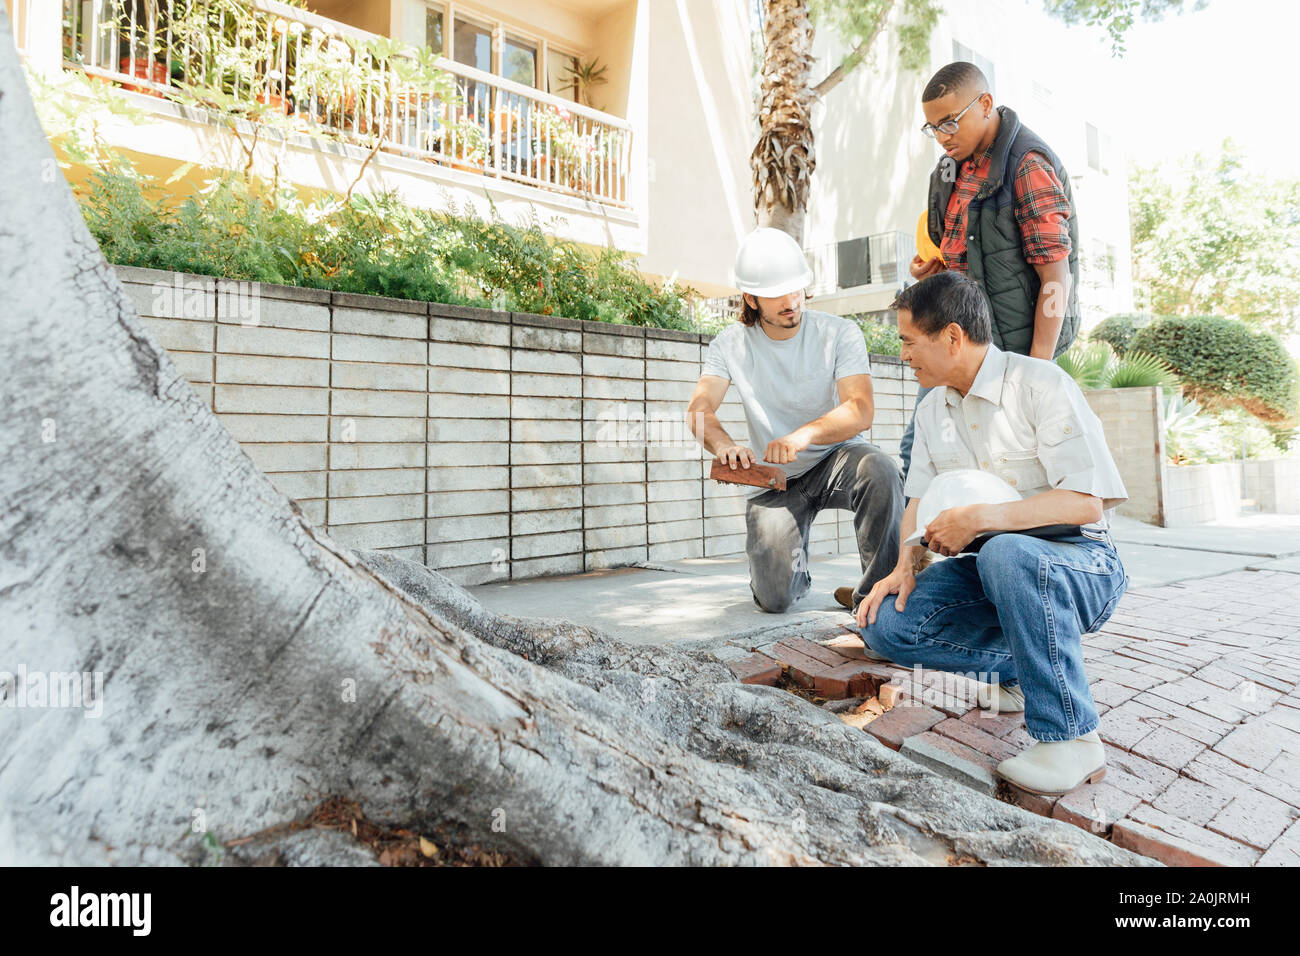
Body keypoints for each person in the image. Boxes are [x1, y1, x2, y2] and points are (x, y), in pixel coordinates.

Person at [856, 272, 1128, 796]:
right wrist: (902, 568)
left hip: (1082, 563)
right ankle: (1021, 672)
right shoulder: (933, 406)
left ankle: (1073, 739)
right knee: (885, 625)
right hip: (993, 569)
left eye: (909, 342)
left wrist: (980, 519)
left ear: (952, 337)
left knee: (1005, 552)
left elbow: (1087, 503)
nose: (904, 354)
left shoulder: (1041, 385)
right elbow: (917, 498)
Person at [686, 228, 904, 614]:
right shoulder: (730, 344)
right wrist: (724, 447)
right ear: (750, 298)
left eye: (796, 288)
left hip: (834, 462)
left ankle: (876, 598)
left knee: (881, 470)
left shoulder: (839, 333)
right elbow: (700, 409)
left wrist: (803, 436)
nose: (790, 301)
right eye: (776, 293)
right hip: (773, 477)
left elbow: (861, 409)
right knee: (775, 599)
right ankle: (794, 576)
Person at [899, 60, 1080, 480]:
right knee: (922, 457)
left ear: (985, 104)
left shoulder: (1027, 164)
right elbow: (961, 260)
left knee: (1018, 471)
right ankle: (927, 548)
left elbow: (1056, 276)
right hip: (955, 347)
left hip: (1012, 353)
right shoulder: (947, 171)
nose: (942, 137)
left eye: (949, 122)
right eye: (932, 128)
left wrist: (1035, 373)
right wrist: (931, 274)